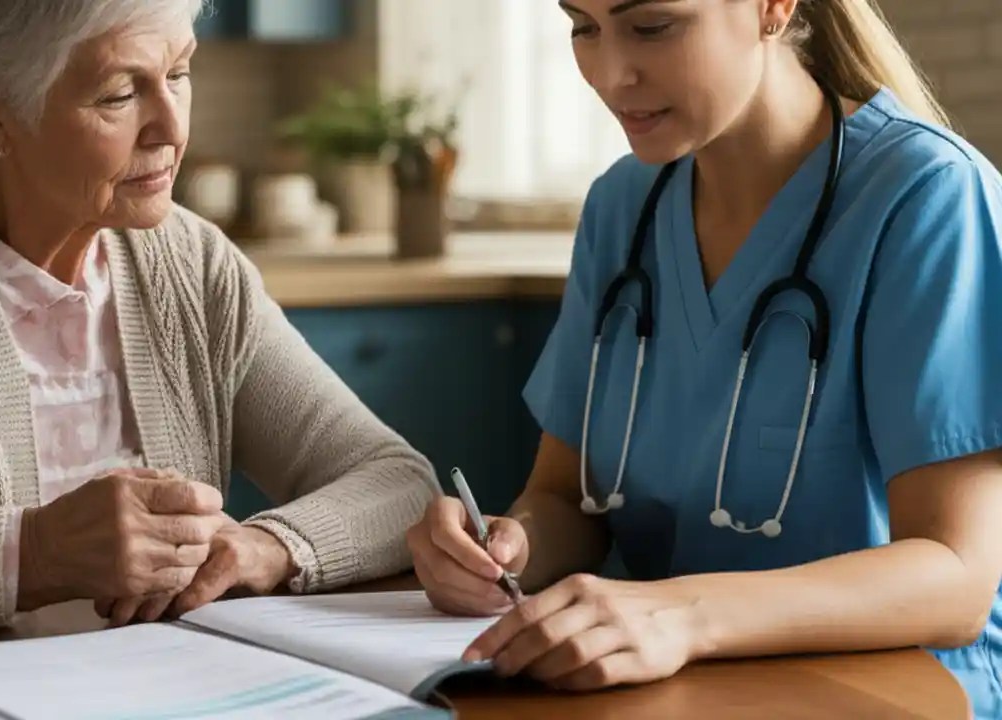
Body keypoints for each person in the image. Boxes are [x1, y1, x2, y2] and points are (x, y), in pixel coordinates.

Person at [0, 0, 438, 638]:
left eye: (180, 73)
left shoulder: (192, 262)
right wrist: (33, 553)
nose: (171, 127)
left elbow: (397, 480)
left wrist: (264, 548)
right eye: (120, 93)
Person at [406, 0, 1002, 716]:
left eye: (652, 27)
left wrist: (681, 616)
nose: (610, 73)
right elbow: (567, 499)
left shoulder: (926, 195)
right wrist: (505, 550)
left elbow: (958, 578)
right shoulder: (621, 208)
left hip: (896, 690)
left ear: (773, 8)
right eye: (583, 27)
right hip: (682, 687)